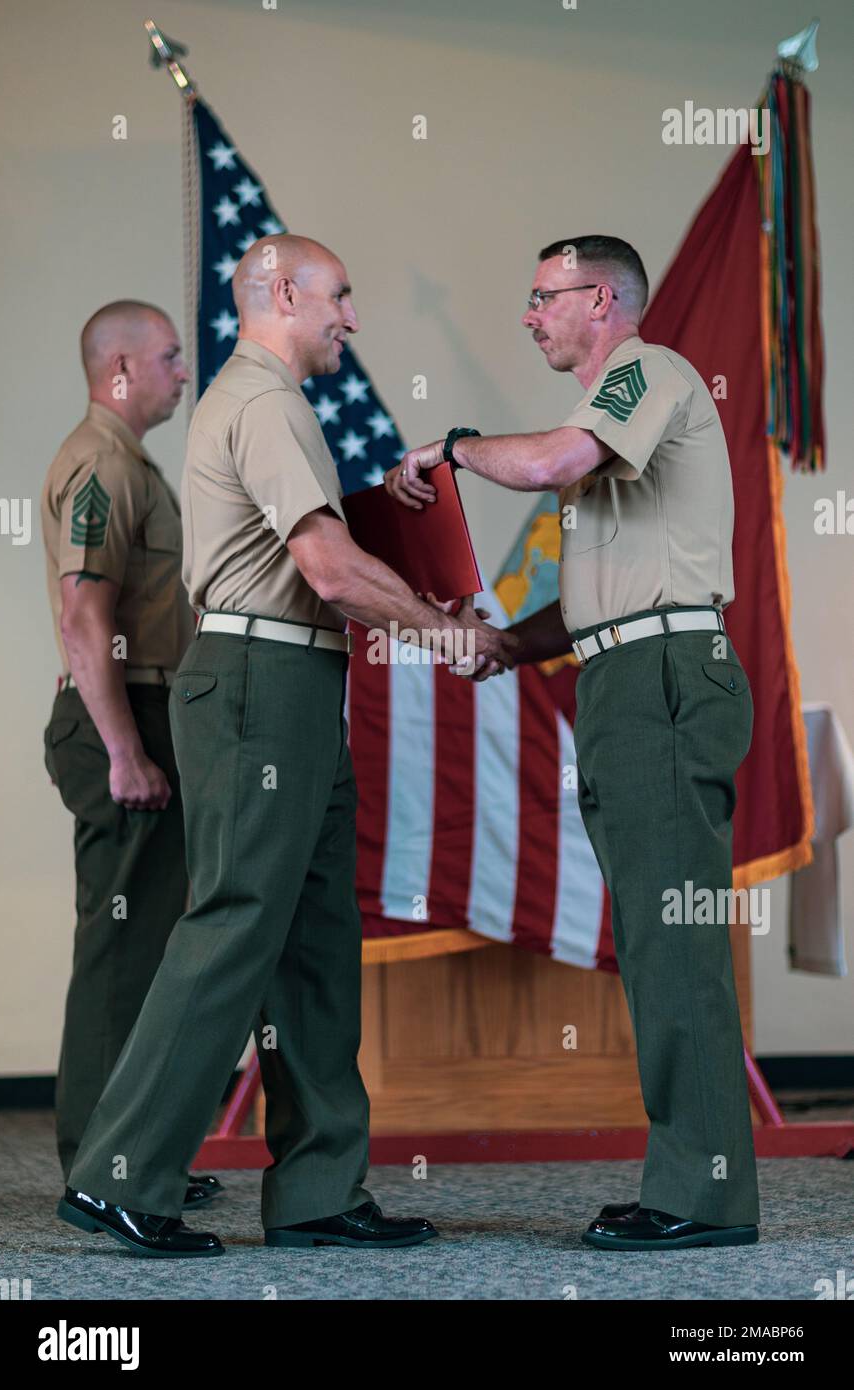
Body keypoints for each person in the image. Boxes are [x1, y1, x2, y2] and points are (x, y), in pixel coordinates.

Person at [58, 236, 516, 1258]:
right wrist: (447, 632)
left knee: (314, 940)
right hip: (262, 680)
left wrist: (388, 546)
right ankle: (122, 1177)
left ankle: (315, 1190)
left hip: (295, 680)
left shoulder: (272, 403)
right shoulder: (263, 400)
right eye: (338, 297)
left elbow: (315, 553)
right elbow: (326, 569)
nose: (350, 319)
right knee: (235, 925)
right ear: (279, 296)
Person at [385, 234, 760, 1252]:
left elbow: (551, 463)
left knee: (672, 938)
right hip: (624, 672)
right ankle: (692, 1183)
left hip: (661, 679)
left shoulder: (642, 371)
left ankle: (703, 1197)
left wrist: (453, 447)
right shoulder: (606, 413)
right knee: (654, 935)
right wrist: (509, 645)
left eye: (542, 297)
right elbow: (600, 598)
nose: (528, 314)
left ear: (600, 300)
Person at [41, 301, 222, 1210]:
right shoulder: (105, 462)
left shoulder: (127, 459)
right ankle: (102, 1166)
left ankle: (129, 1153)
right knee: (121, 950)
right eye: (169, 357)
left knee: (146, 948)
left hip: (149, 713)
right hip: (124, 717)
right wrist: (124, 751)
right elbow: (86, 614)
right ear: (119, 366)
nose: (183, 372)